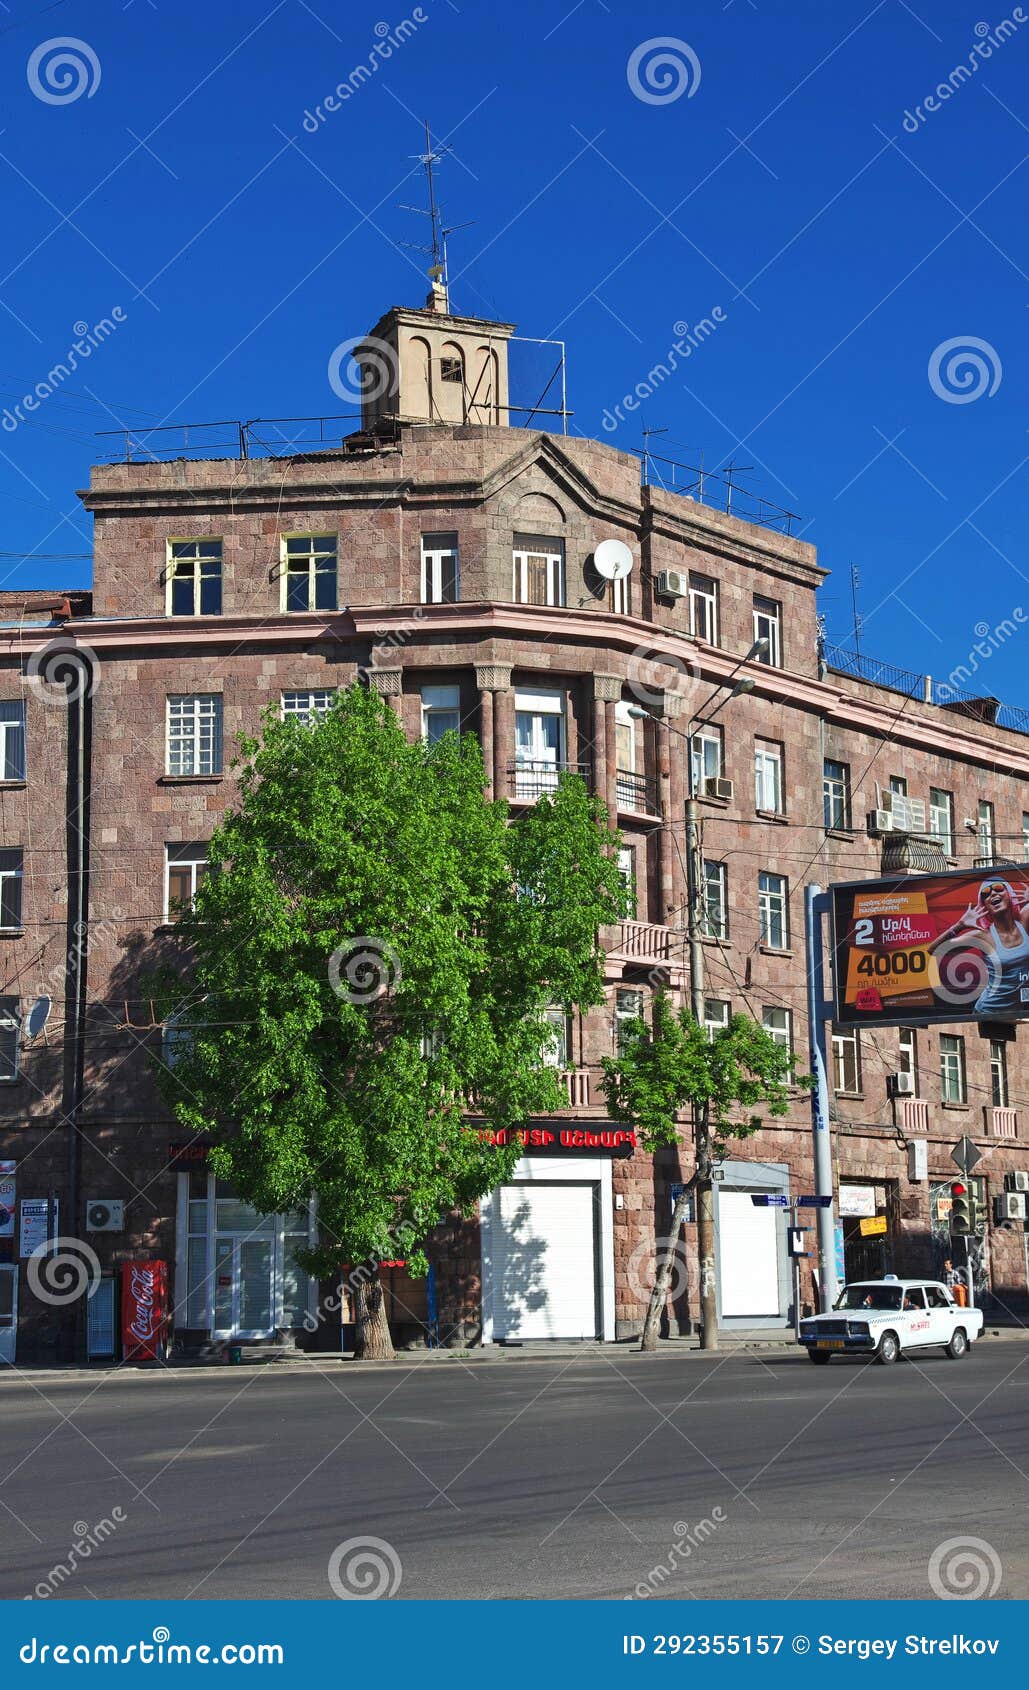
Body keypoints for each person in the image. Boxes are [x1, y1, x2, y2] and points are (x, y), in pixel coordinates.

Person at [929, 879, 1029, 1016]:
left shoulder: (1025, 920)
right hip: (987, 1012)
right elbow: (933, 950)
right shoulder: (983, 937)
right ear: (985, 906)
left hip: (1018, 1013)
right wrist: (959, 925)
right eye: (986, 893)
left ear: (1009, 894)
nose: (993, 893)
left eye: (999, 888)